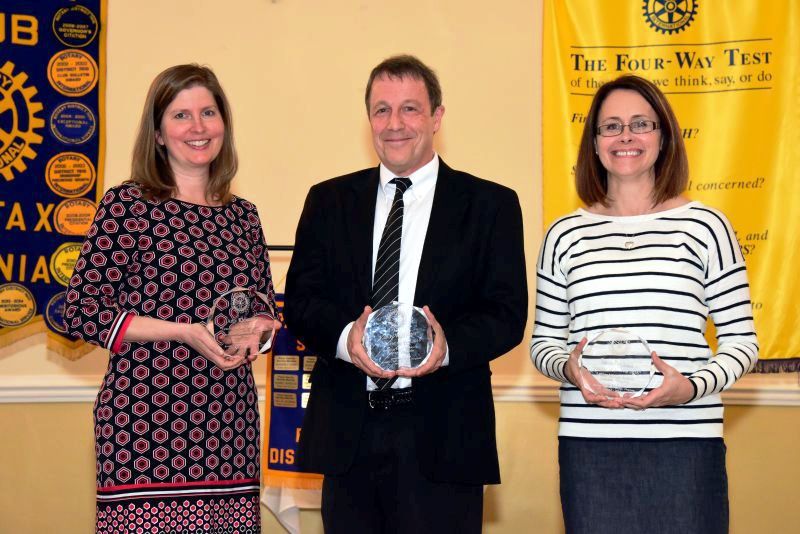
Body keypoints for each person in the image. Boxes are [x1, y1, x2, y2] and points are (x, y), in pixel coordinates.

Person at [284, 54, 527, 533]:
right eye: (381, 110)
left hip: (443, 436)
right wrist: (343, 339)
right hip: (349, 435)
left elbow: (506, 313)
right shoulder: (328, 200)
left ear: (437, 117)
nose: (394, 124)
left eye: (410, 109)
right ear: (368, 118)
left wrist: (447, 346)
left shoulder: (490, 205)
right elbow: (302, 301)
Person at [530, 74, 759, 534]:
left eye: (641, 123)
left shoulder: (707, 226)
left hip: (686, 443)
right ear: (594, 143)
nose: (626, 136)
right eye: (610, 126)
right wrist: (570, 369)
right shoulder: (563, 234)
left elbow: (743, 343)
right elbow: (543, 344)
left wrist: (690, 388)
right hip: (590, 446)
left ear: (664, 136)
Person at [65, 64, 280, 534]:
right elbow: (81, 311)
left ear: (224, 123)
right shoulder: (128, 205)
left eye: (208, 112)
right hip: (146, 429)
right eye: (181, 115)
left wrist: (259, 333)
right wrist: (182, 331)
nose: (198, 127)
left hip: (230, 426)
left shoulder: (243, 216)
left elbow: (259, 311)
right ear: (158, 134)